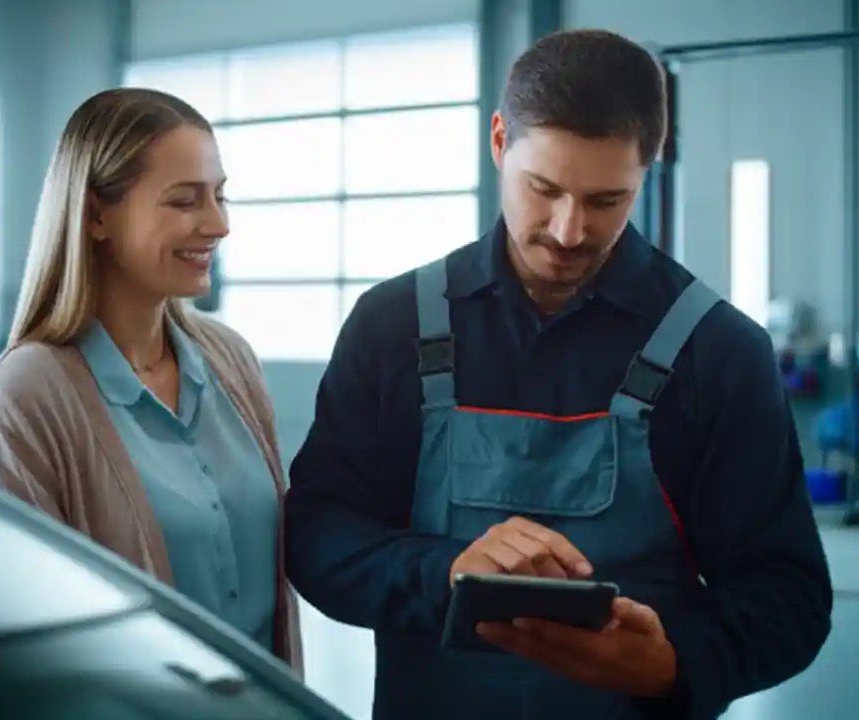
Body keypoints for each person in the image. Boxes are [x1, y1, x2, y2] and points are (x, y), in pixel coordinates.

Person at [285, 29, 831, 718]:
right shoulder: (391, 325)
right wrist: (443, 572)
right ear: (497, 142)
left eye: (607, 200)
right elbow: (318, 533)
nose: (569, 231)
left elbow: (788, 593)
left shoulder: (717, 352)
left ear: (650, 164)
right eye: (543, 189)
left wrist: (674, 663)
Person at [0, 88, 301, 673]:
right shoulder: (26, 392)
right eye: (184, 201)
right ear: (96, 214)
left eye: (220, 196)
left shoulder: (230, 359)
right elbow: (19, 635)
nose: (218, 224)